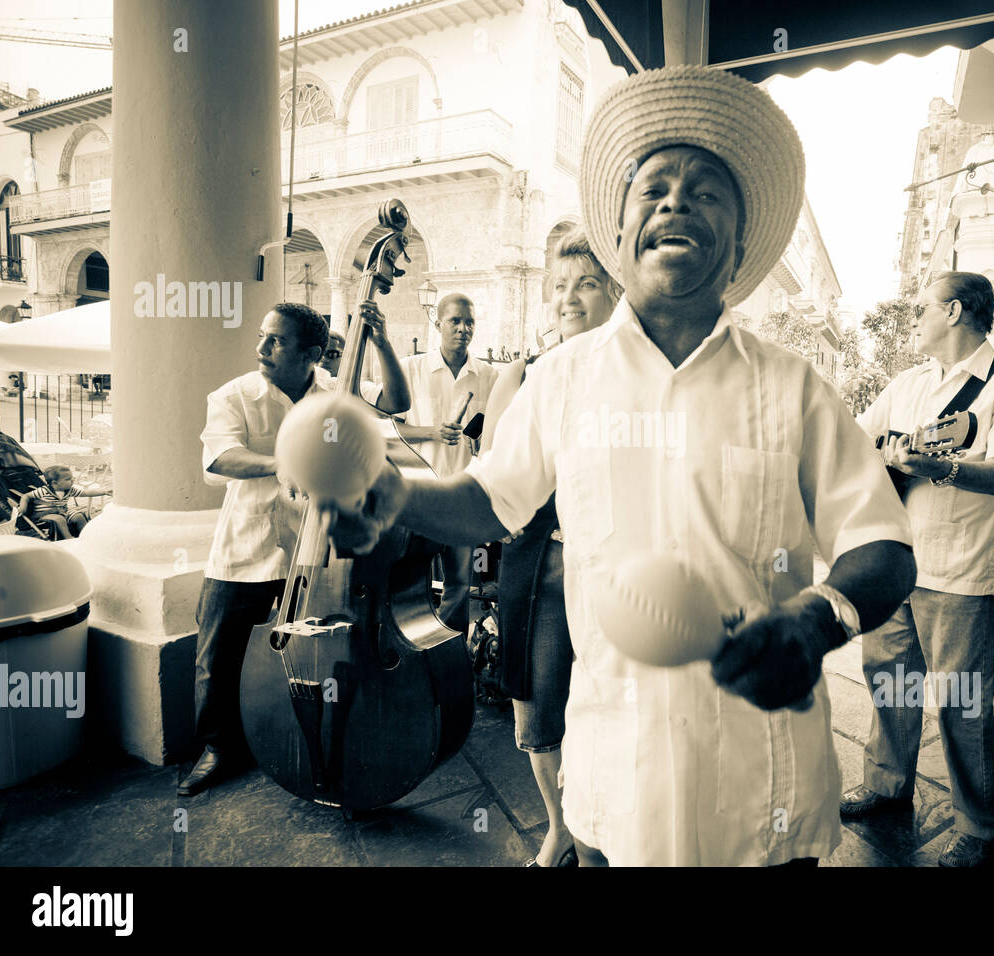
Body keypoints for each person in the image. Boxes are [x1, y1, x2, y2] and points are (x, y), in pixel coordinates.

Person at [327, 66, 916, 866]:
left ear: (738, 245)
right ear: (621, 231)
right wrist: (396, 494)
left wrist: (819, 619)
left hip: (763, 784)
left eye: (707, 192)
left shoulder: (793, 388)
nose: (677, 201)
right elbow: (490, 500)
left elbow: (883, 545)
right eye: (656, 189)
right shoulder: (561, 379)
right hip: (617, 772)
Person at [845, 271, 994, 867]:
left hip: (959, 566)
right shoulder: (906, 383)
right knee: (889, 680)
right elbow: (856, 444)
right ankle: (886, 784)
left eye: (920, 309)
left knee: (961, 701)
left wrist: (943, 469)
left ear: (954, 311)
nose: (912, 319)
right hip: (892, 561)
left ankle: (981, 827)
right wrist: (883, 457)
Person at [179, 300, 399, 797]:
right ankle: (217, 748)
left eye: (275, 341)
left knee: (309, 652)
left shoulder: (335, 393)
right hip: (245, 548)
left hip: (316, 557)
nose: (261, 348)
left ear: (313, 355)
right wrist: (282, 462)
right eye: (263, 336)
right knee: (217, 656)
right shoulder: (234, 394)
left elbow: (396, 402)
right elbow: (220, 457)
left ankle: (286, 737)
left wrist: (382, 341)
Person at [479, 229, 621, 867]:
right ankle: (560, 827)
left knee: (611, 707)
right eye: (559, 287)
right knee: (535, 707)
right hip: (537, 566)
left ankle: (603, 833)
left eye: (586, 284)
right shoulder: (523, 376)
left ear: (615, 292)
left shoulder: (636, 376)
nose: (570, 299)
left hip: (611, 573)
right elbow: (496, 479)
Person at [392, 293, 497, 632]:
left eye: (469, 322)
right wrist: (431, 433)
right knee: (410, 585)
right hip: (420, 493)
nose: (463, 329)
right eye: (455, 321)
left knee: (460, 586)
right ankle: (413, 652)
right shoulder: (411, 368)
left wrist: (481, 440)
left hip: (462, 495)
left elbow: (495, 432)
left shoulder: (488, 375)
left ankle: (449, 655)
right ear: (438, 324)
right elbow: (390, 429)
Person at [16, 464, 100, 538]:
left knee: (78, 516)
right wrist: (23, 507)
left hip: (63, 512)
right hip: (44, 515)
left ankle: (86, 535)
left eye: (72, 478)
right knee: (59, 519)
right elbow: (26, 496)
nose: (72, 480)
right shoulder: (44, 490)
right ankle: (68, 538)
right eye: (68, 479)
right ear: (55, 483)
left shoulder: (70, 490)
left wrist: (103, 492)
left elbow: (86, 492)